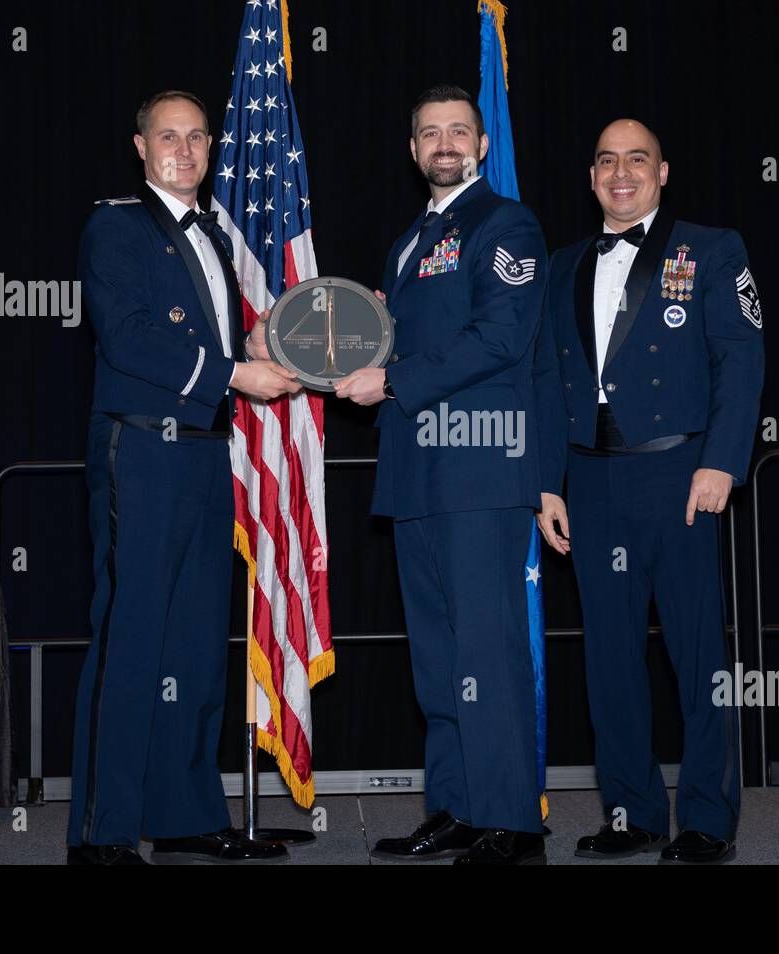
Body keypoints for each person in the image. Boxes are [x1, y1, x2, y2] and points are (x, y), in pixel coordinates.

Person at [66, 90, 301, 865]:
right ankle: (102, 831)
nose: (186, 149)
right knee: (132, 636)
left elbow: (235, 338)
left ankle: (184, 813)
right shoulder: (117, 226)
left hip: (204, 452)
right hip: (141, 451)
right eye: (169, 136)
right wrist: (236, 372)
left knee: (198, 639)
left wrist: (310, 333)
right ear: (141, 147)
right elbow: (131, 341)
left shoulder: (216, 236)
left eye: (198, 137)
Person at [533, 119, 764, 864]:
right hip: (591, 481)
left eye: (637, 159)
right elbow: (544, 383)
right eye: (606, 160)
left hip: (681, 474)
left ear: (662, 173)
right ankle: (632, 812)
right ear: (592, 175)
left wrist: (723, 462)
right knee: (609, 657)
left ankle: (706, 819)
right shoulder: (563, 263)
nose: (621, 173)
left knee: (699, 656)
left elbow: (740, 358)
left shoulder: (712, 247)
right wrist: (547, 482)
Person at [332, 84, 549, 865]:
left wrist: (389, 381)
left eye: (460, 131)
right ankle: (457, 807)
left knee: (487, 653)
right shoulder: (406, 243)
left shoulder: (506, 223)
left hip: (481, 470)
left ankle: (514, 825)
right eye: (430, 133)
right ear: (413, 149)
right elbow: (396, 343)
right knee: (439, 660)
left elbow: (499, 338)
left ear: (483, 145)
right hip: (417, 475)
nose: (446, 143)